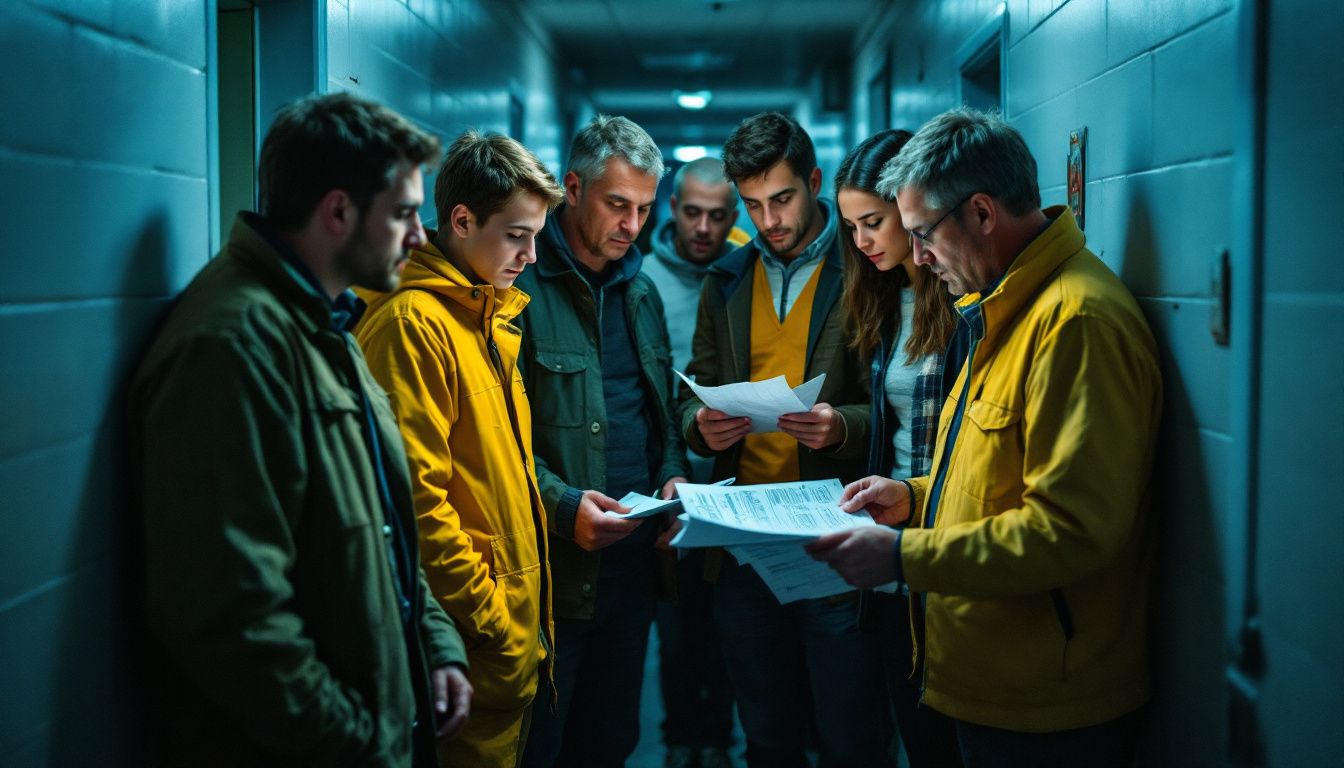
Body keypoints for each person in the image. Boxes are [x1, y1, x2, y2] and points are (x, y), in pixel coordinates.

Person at [808, 107, 1163, 767]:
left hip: (1047, 705)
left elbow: (1071, 530)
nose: (916, 257)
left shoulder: (1074, 322)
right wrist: (911, 495)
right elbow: (989, 475)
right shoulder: (1003, 306)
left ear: (980, 213)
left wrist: (900, 557)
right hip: (992, 679)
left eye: (923, 234)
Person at [129, 92, 472, 767]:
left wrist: (432, 647)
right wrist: (362, 743)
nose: (421, 237)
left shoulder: (326, 321)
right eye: (404, 214)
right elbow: (234, 622)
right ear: (339, 212)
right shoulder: (231, 346)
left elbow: (379, 523)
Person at [677, 111, 894, 768]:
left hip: (836, 529)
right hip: (746, 541)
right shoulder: (726, 279)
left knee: (850, 733)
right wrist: (702, 427)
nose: (768, 220)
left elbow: (894, 401)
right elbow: (695, 391)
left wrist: (841, 425)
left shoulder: (867, 264)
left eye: (782, 198)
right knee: (767, 735)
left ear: (814, 182)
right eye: (753, 205)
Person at [354, 131, 564, 767]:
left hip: (509, 642)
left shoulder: (486, 317)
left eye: (537, 236)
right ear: (462, 220)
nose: (532, 255)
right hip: (471, 650)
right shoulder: (413, 324)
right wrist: (491, 621)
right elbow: (416, 501)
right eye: (517, 235)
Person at [516, 114, 689, 768]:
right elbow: (496, 441)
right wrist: (564, 507)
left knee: (611, 744)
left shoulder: (639, 291)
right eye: (618, 204)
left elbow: (660, 412)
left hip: (632, 568)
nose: (632, 224)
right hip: (554, 576)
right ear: (572, 188)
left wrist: (671, 476)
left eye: (644, 208)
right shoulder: (521, 289)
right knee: (543, 747)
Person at [834, 129, 962, 767]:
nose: (862, 242)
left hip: (946, 546)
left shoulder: (963, 299)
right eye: (851, 226)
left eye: (874, 222)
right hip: (893, 546)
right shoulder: (885, 297)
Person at [642, 156, 747, 768]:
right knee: (676, 632)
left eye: (717, 215)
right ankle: (681, 742)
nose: (703, 227)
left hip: (738, 488)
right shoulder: (644, 279)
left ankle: (719, 742)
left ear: (733, 218)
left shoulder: (746, 275)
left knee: (731, 631)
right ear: (672, 209)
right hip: (671, 488)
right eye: (691, 212)